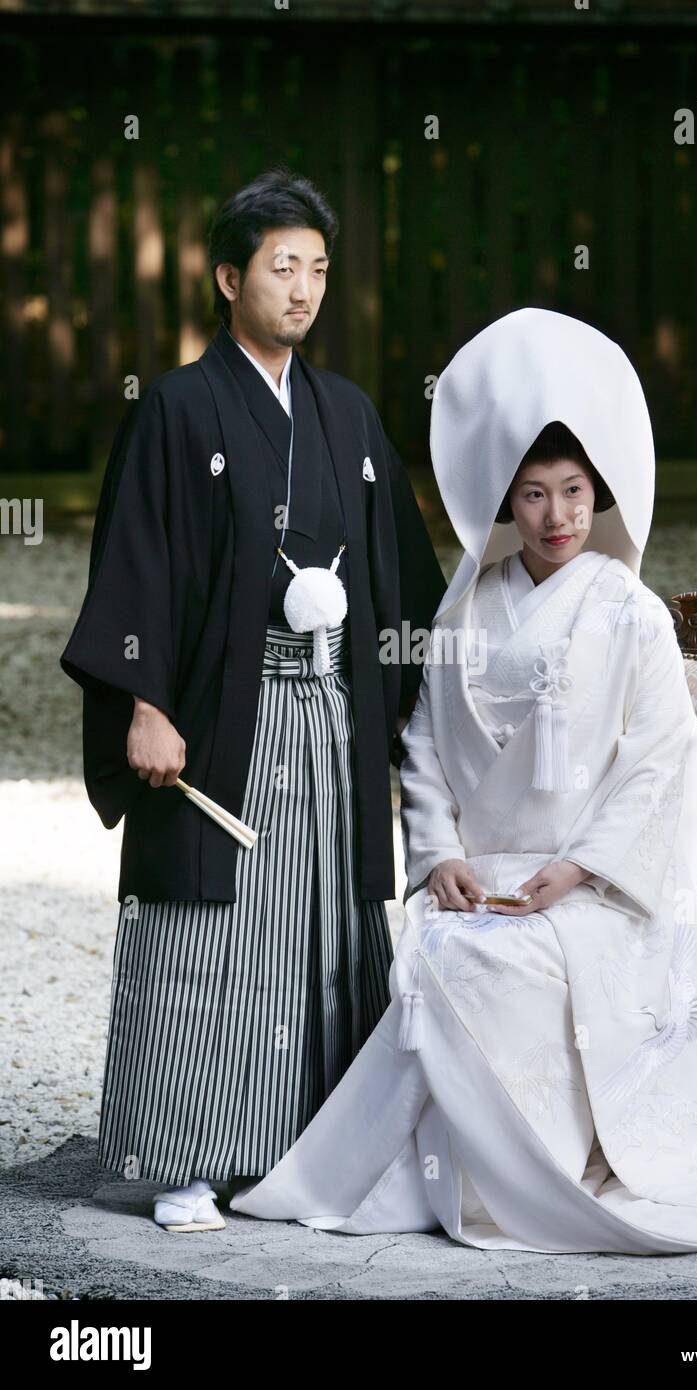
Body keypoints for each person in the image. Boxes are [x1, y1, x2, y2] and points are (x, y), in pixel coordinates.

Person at [228, 307, 697, 1255]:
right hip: (486, 876)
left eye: (577, 491)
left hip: (593, 891)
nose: (559, 518)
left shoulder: (629, 608)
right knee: (450, 952)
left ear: (602, 494)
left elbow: (665, 756)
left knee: (505, 965)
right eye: (537, 494)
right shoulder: (468, 603)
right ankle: (459, 1185)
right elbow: (422, 746)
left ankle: (530, 1185)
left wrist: (581, 869)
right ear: (509, 501)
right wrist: (439, 859)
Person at [59, 167, 445, 1232]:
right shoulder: (179, 408)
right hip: (223, 715)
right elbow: (135, 563)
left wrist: (420, 677)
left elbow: (401, 577)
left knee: (322, 928)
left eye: (319, 269)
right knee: (208, 929)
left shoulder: (348, 414)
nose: (303, 287)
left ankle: (320, 1154)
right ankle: (188, 1155)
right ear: (229, 278)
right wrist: (141, 699)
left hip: (325, 715)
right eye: (283, 267)